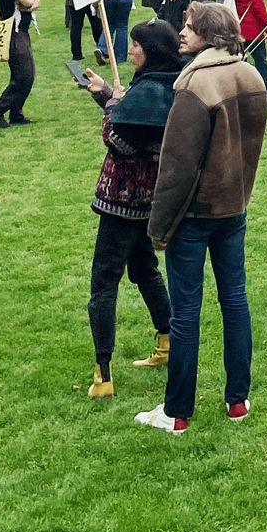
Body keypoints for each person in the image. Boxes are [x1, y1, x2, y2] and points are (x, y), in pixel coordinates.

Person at [137, 1, 267, 435]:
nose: (181, 33)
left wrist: (158, 227)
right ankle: (238, 400)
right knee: (235, 300)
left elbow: (177, 166)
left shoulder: (193, 85)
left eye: (189, 27)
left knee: (186, 312)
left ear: (208, 34)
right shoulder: (250, 74)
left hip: (194, 215)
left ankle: (176, 412)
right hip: (235, 207)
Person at [77, 20, 181, 398]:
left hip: (121, 202)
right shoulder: (171, 83)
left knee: (104, 283)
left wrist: (114, 105)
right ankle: (167, 343)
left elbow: (120, 140)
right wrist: (107, 96)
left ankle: (102, 374)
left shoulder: (150, 90)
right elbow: (135, 124)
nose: (130, 51)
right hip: (150, 202)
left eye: (135, 45)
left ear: (149, 50)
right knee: (144, 271)